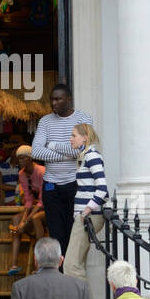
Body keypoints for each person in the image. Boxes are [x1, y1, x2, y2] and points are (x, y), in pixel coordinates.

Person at [30, 84, 95, 254]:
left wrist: (51, 145)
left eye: (58, 99)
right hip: (51, 186)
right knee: (56, 235)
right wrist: (67, 155)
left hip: (75, 185)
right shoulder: (45, 121)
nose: (54, 103)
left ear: (69, 99)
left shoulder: (84, 119)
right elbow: (36, 151)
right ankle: (59, 274)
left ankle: (71, 275)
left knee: (74, 234)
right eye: (52, 99)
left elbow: (82, 148)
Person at [61, 123, 109, 299]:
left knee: (71, 265)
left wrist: (86, 211)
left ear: (85, 138)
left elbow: (102, 187)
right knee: (77, 265)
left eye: (74, 135)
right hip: (85, 217)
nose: (70, 138)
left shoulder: (92, 156)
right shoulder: (85, 156)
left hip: (88, 217)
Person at [7, 145, 46, 276]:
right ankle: (14, 263)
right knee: (16, 220)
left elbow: (42, 201)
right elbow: (28, 201)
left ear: (30, 158)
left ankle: (39, 263)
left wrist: (27, 220)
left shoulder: (41, 171)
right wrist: (22, 221)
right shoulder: (21, 174)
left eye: (23, 158)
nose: (20, 161)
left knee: (35, 218)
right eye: (19, 159)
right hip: (36, 208)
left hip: (48, 208)